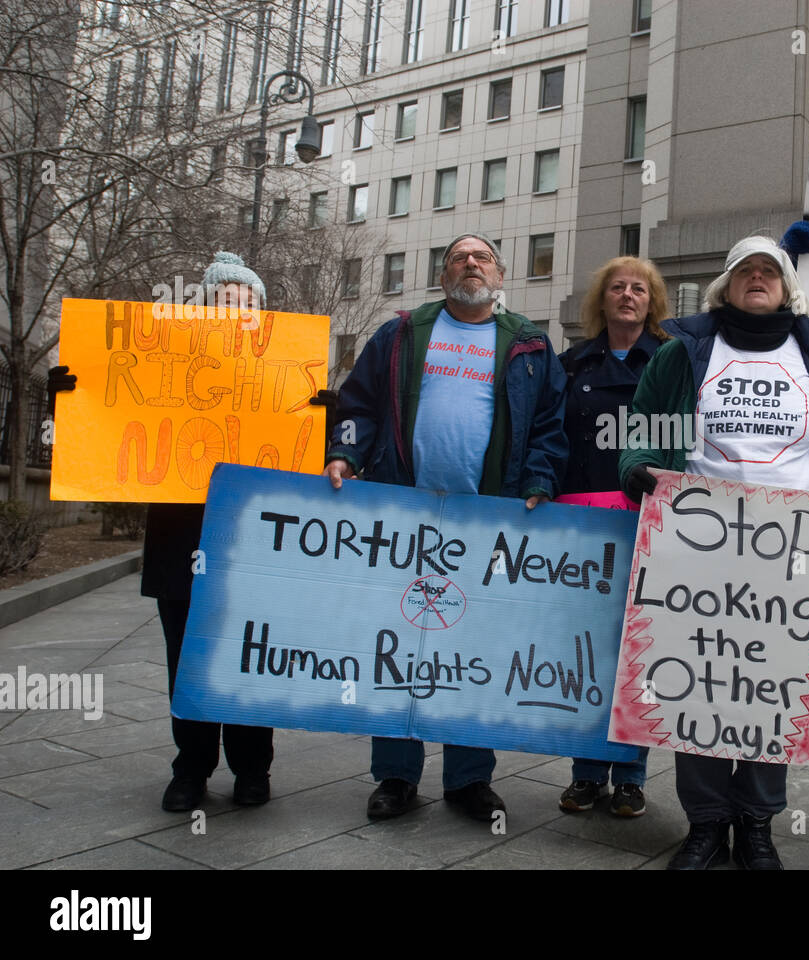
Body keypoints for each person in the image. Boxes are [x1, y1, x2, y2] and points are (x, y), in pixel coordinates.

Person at [619, 232, 809, 870]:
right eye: (745, 271)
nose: (757, 279)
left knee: (774, 687)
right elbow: (645, 425)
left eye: (770, 271)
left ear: (787, 287)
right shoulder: (685, 352)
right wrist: (640, 469)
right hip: (698, 546)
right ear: (727, 285)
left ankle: (757, 825)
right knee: (699, 685)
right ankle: (707, 823)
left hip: (798, 551)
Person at [48, 251, 332, 812]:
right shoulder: (162, 371)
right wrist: (69, 392)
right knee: (189, 658)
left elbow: (314, 463)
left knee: (252, 655)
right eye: (225, 301)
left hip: (258, 541)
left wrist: (321, 413)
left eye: (247, 303)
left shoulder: (282, 381)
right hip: (183, 538)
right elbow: (106, 418)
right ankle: (192, 769)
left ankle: (253, 768)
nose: (236, 311)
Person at [324, 233, 567, 825]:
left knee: (471, 649)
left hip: (486, 519)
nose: (470, 264)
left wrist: (539, 479)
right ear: (443, 275)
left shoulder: (530, 345)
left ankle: (468, 780)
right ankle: (396, 776)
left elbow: (549, 427)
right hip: (404, 514)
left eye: (481, 257)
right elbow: (357, 407)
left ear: (499, 274)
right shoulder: (400, 334)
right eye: (458, 257)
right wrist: (346, 454)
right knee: (399, 645)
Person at [556, 256, 669, 817]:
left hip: (649, 520)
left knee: (640, 649)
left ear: (653, 302)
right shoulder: (572, 362)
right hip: (584, 519)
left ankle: (629, 774)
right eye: (618, 288)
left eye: (639, 289)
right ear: (601, 301)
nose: (628, 295)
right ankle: (584, 773)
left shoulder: (672, 362)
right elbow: (552, 436)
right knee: (587, 649)